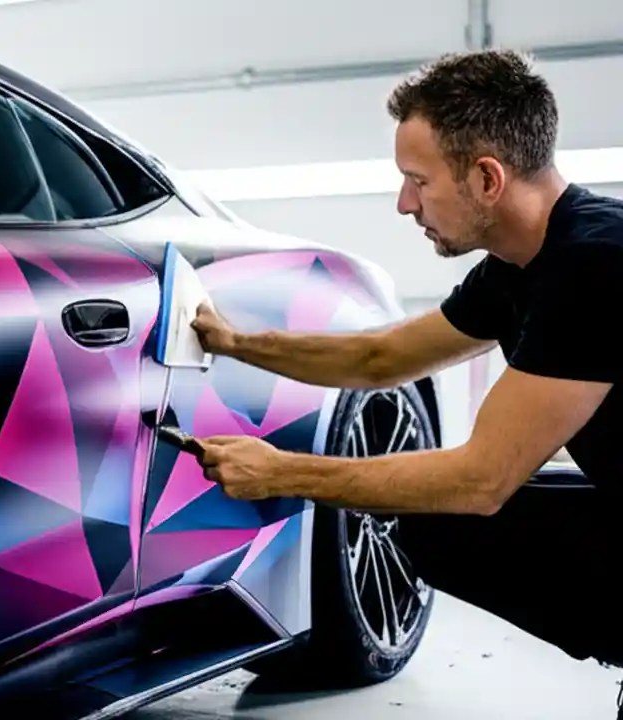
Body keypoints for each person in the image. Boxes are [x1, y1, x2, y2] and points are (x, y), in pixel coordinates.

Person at [187, 48, 623, 716]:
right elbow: (380, 359)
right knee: (431, 524)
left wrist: (281, 472)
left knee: (457, 507)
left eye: (418, 181)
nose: (403, 203)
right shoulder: (520, 266)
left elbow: (480, 480)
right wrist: (236, 343)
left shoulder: (594, 264)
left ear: (487, 178)